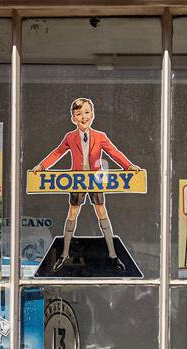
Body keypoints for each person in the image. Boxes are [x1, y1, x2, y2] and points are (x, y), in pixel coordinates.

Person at [32, 97, 140, 270]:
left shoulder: (100, 136)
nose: (84, 117)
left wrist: (129, 166)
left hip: (95, 180)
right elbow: (57, 153)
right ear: (73, 118)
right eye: (79, 114)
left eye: (87, 112)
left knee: (101, 212)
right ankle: (65, 254)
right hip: (76, 180)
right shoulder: (70, 137)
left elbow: (114, 152)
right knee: (73, 212)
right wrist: (42, 166)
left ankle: (112, 255)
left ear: (93, 114)